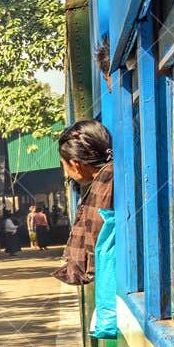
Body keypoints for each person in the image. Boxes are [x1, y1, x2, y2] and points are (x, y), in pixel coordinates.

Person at [55, 119, 115, 287]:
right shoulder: (112, 176)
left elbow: (95, 245)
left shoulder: (103, 187)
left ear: (75, 164)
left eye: (64, 164)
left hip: (112, 283)